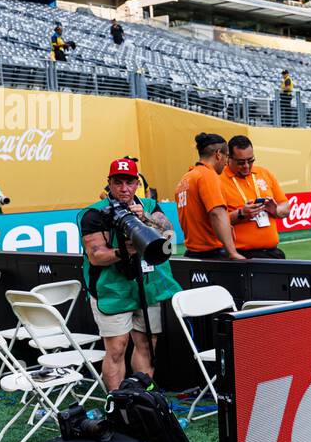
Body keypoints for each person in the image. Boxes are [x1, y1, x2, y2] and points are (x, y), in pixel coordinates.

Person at [80, 158, 182, 391]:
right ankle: (117, 405)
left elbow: (169, 232)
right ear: (109, 184)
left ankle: (141, 401)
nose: (124, 189)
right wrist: (124, 250)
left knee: (147, 343)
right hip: (111, 288)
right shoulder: (94, 215)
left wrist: (143, 219)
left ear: (137, 183)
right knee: (117, 347)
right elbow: (96, 255)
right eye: (118, 183)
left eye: (129, 182)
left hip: (146, 285)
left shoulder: (148, 205)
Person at [220, 135, 290, 259]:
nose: (246, 166)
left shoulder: (264, 173)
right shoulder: (219, 179)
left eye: (250, 160)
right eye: (241, 162)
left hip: (272, 252)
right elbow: (216, 221)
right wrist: (241, 214)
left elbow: (286, 207)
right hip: (241, 255)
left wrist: (275, 210)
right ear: (228, 158)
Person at [176, 132, 240, 260]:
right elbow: (217, 213)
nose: (226, 162)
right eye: (226, 156)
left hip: (192, 253)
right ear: (218, 154)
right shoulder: (208, 176)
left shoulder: (186, 179)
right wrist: (232, 252)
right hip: (212, 254)